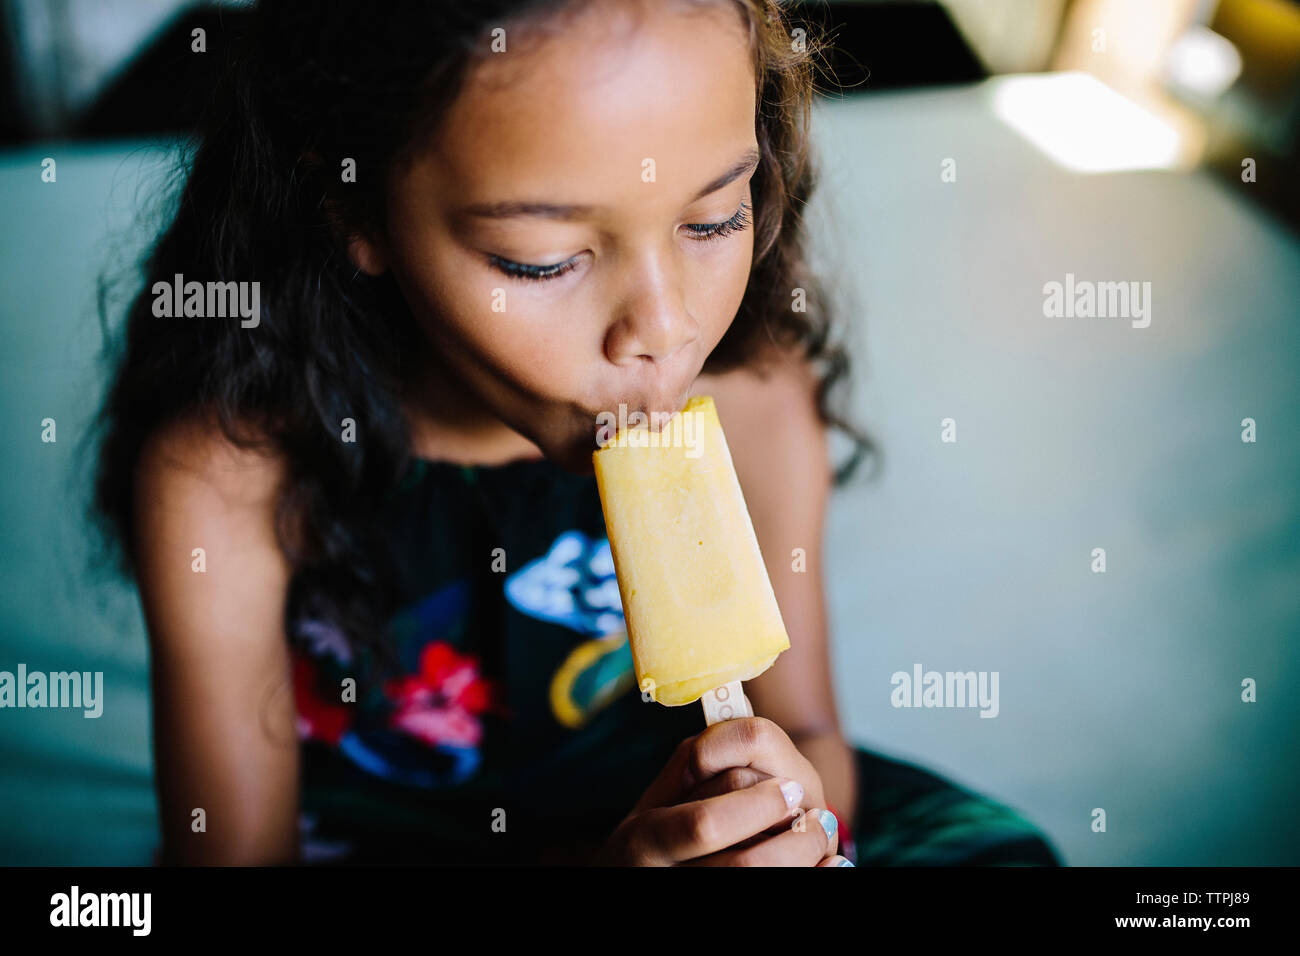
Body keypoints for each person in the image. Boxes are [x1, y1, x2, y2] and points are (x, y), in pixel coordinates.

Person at [90, 0, 1060, 866]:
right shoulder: (234, 470)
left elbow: (806, 730)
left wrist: (779, 817)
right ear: (354, 202)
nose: (666, 330)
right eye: (543, 261)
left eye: (715, 219)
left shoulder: (754, 401)